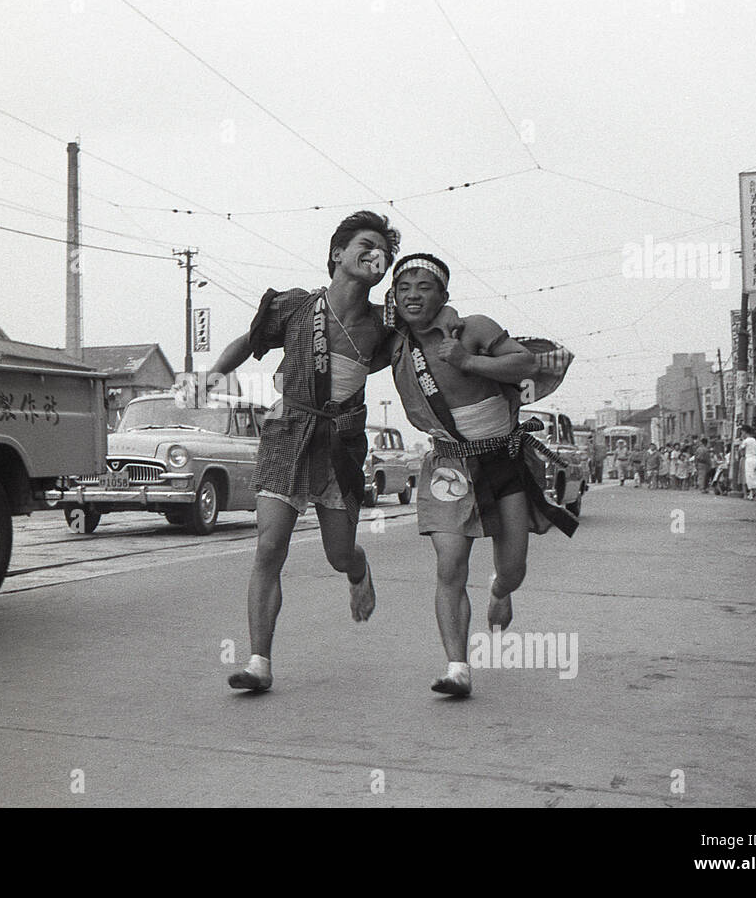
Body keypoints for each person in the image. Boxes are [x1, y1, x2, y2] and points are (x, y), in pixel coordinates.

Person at [211, 210, 402, 692]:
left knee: (339, 555)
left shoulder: (385, 326)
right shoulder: (295, 307)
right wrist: (212, 375)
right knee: (269, 548)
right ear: (337, 253)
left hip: (339, 447)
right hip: (286, 435)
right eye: (364, 242)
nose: (374, 252)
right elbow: (246, 341)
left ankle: (359, 571)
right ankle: (259, 662)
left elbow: (431, 347)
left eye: (382, 248)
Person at [380, 253, 576, 697]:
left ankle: (500, 590)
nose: (413, 294)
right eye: (404, 286)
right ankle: (457, 667)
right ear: (394, 297)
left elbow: (526, 365)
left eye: (424, 286)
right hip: (447, 463)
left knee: (513, 569)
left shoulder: (476, 328)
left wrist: (467, 361)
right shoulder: (393, 343)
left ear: (444, 295)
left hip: (501, 458)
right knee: (450, 565)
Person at [740, 424, 756, 500]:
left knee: (750, 477)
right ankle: (752, 494)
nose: (742, 434)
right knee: (754, 476)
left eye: (742, 432)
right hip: (755, 459)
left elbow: (741, 450)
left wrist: (742, 440)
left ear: (744, 432)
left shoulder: (746, 441)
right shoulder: (754, 440)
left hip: (749, 459)